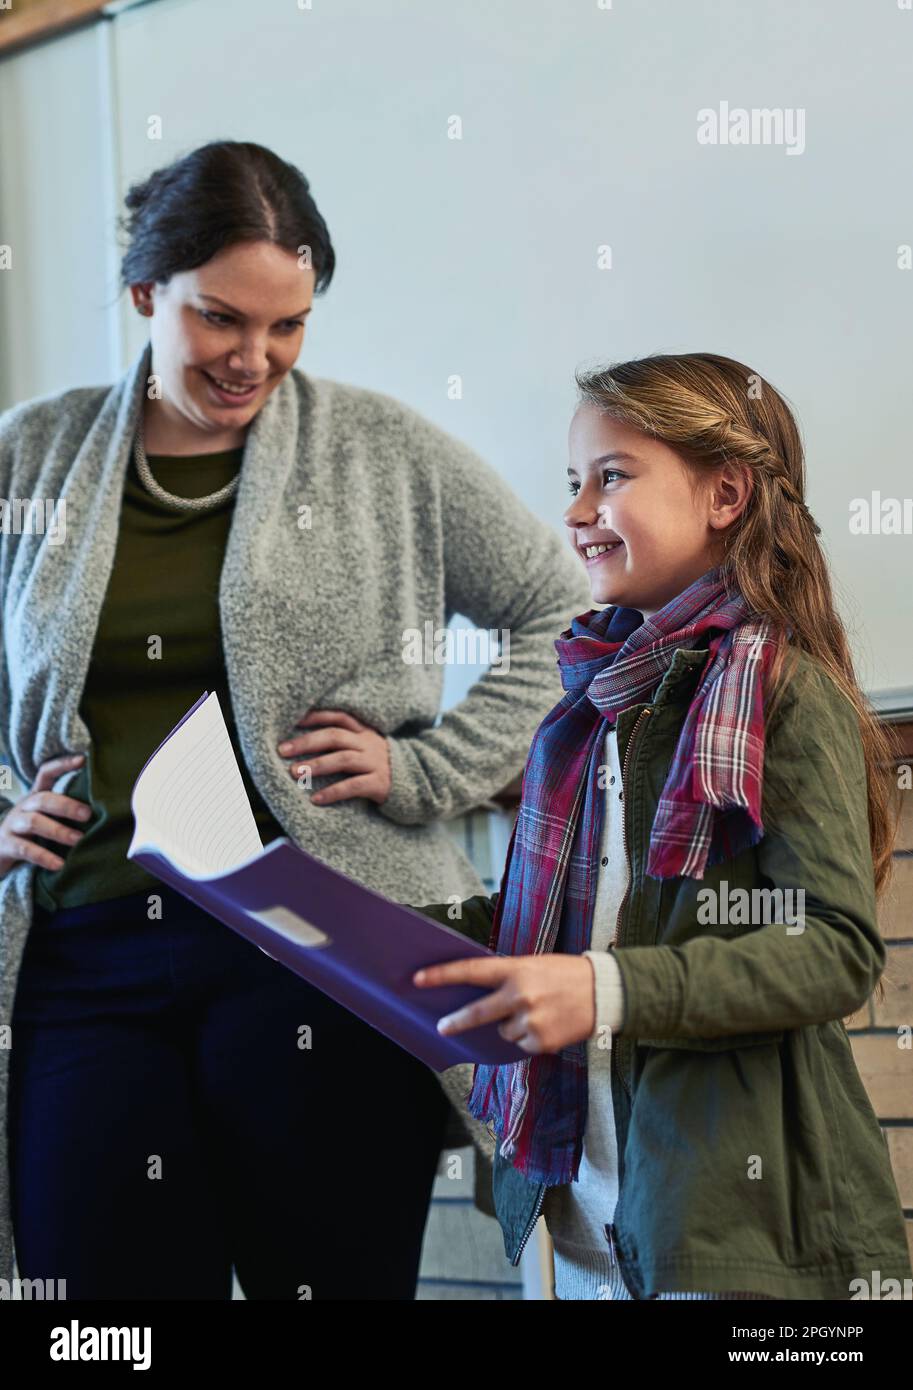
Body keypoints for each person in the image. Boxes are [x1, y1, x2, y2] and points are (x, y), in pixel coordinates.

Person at [0, 139, 591, 1299]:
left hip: (318, 951)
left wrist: (430, 767)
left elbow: (557, 612)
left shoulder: (381, 449)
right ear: (142, 294)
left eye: (289, 325)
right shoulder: (31, 451)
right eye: (220, 318)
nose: (252, 357)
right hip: (86, 956)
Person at [413, 351, 913, 1301]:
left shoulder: (782, 696)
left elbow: (833, 950)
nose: (572, 513)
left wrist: (600, 989)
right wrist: (405, 941)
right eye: (573, 482)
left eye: (610, 477)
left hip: (728, 1234)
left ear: (724, 494)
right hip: (584, 1218)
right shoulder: (596, 710)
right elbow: (584, 919)